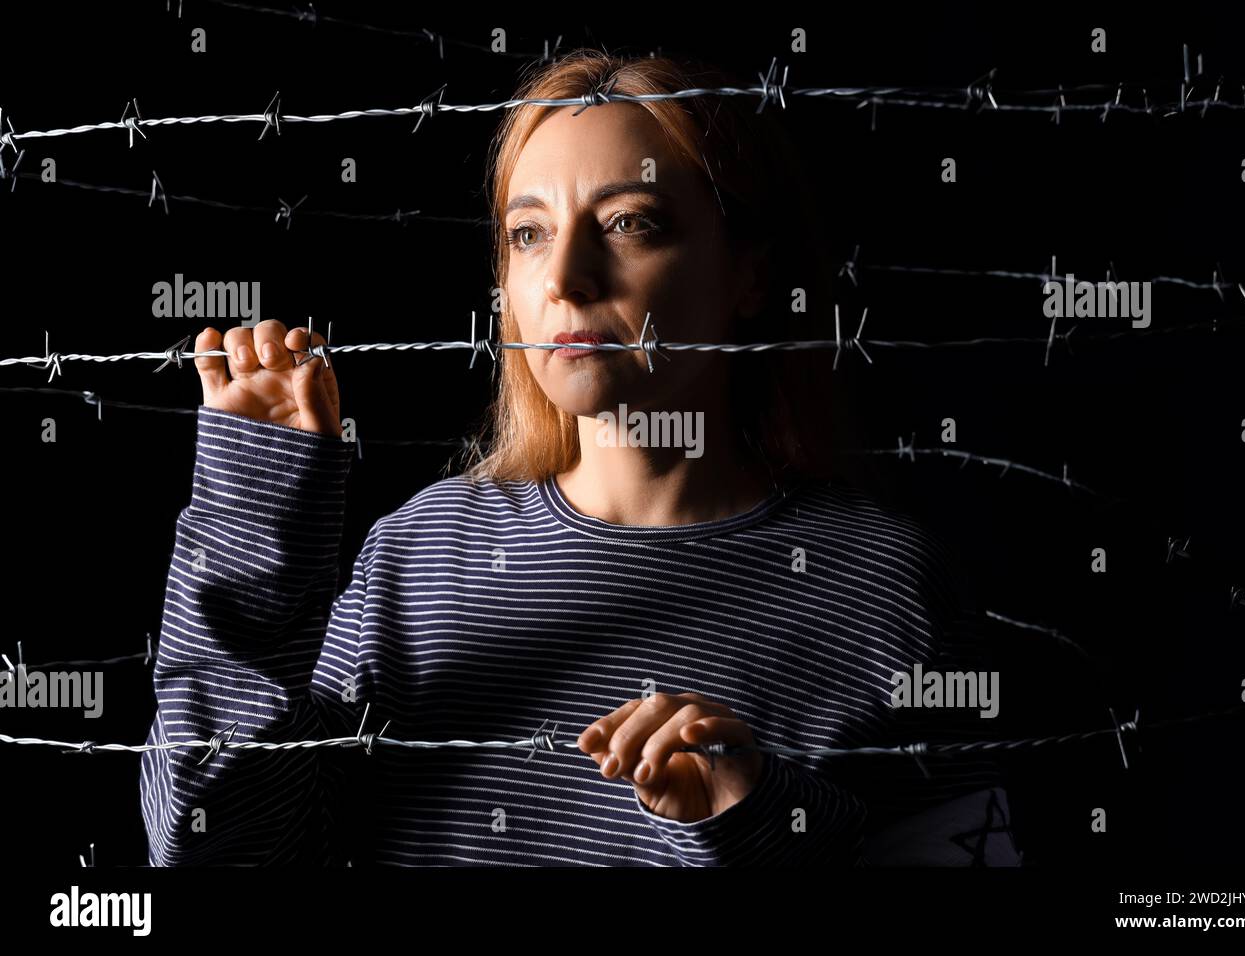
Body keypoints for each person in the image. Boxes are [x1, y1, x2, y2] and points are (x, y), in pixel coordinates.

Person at [140, 49, 1019, 866]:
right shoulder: (420, 553)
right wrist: (256, 522)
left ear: (752, 274)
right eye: (527, 233)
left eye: (630, 222)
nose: (565, 276)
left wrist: (761, 816)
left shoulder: (884, 585)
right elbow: (210, 835)